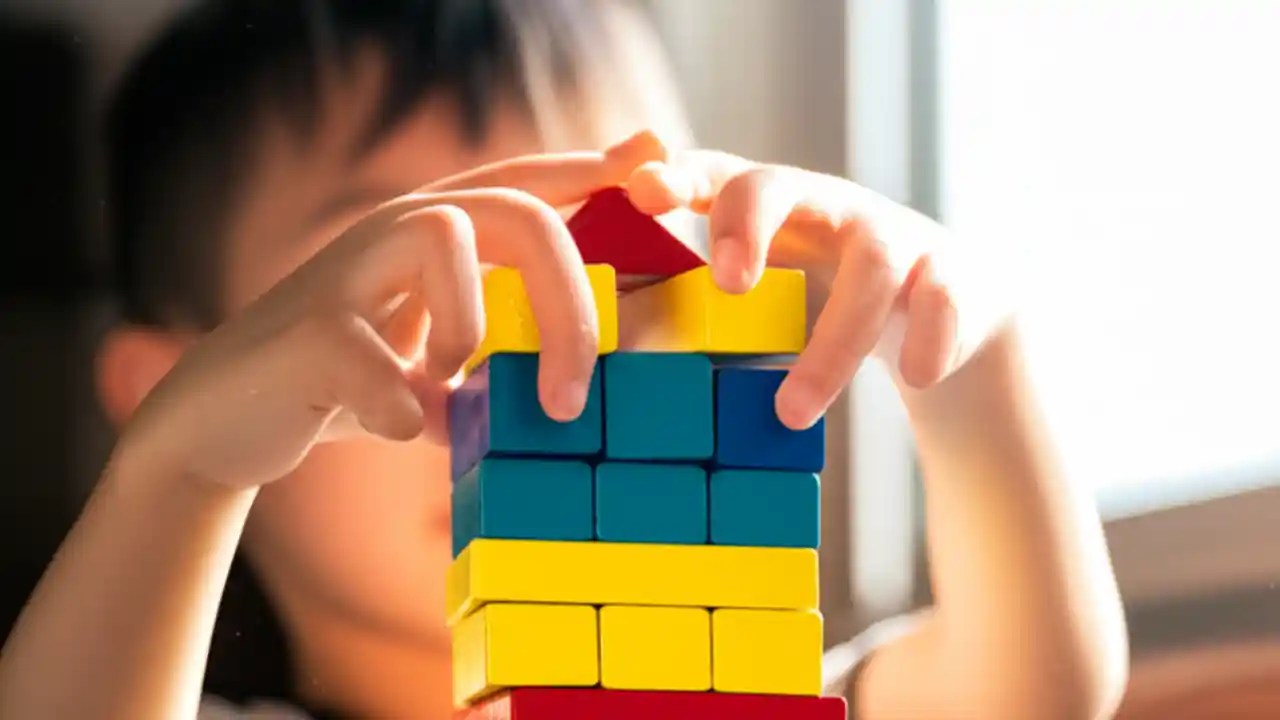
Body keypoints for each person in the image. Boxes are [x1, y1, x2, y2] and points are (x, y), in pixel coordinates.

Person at [0, 1, 1129, 718]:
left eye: (620, 285)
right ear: (174, 388)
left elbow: (1033, 691)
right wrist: (178, 476)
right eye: (418, 295)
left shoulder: (745, 700)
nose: (553, 373)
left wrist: (969, 357)